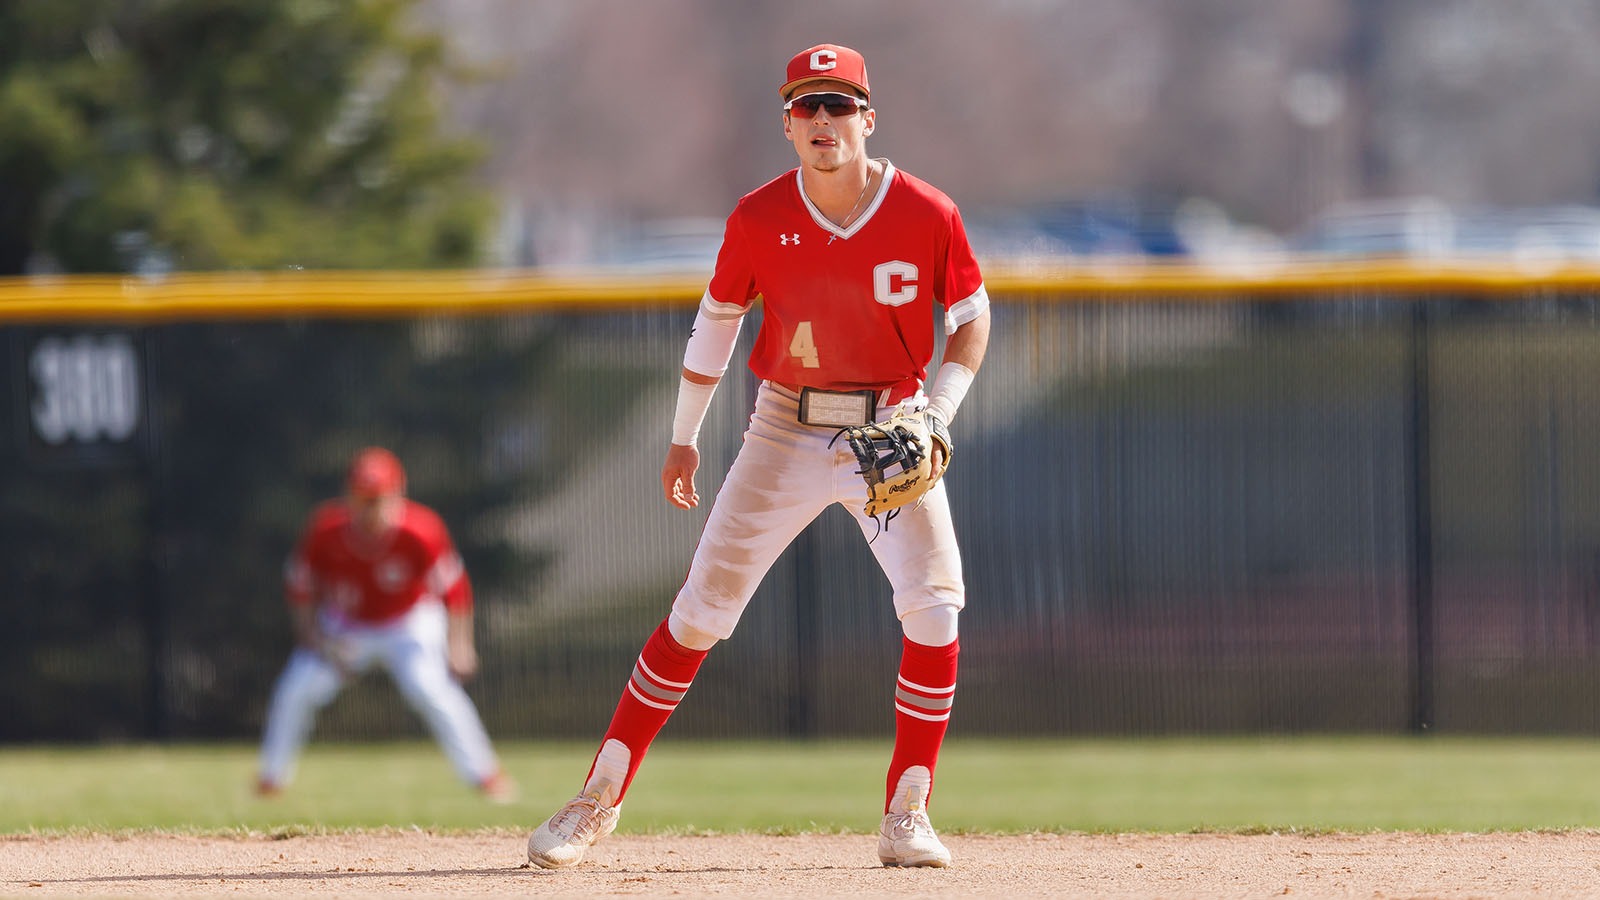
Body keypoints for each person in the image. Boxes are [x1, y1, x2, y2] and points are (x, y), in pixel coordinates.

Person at [525, 43, 991, 869]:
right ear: (786, 121)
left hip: (891, 423)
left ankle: (907, 812)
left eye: (840, 104)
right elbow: (716, 322)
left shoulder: (926, 210)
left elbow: (971, 318)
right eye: (808, 105)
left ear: (868, 118)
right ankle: (597, 800)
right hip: (784, 425)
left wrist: (940, 411)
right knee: (700, 614)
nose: (823, 120)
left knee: (935, 607)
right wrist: (682, 435)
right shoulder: (756, 215)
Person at [256, 446, 515, 803]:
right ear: (348, 495)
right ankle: (271, 779)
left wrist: (459, 645)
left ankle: (485, 775)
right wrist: (314, 638)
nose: (369, 508)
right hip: (347, 626)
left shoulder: (421, 530)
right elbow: (300, 588)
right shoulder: (325, 530)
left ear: (397, 494)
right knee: (295, 690)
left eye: (378, 498)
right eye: (362, 498)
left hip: (408, 622)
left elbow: (455, 590)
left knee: (431, 690)